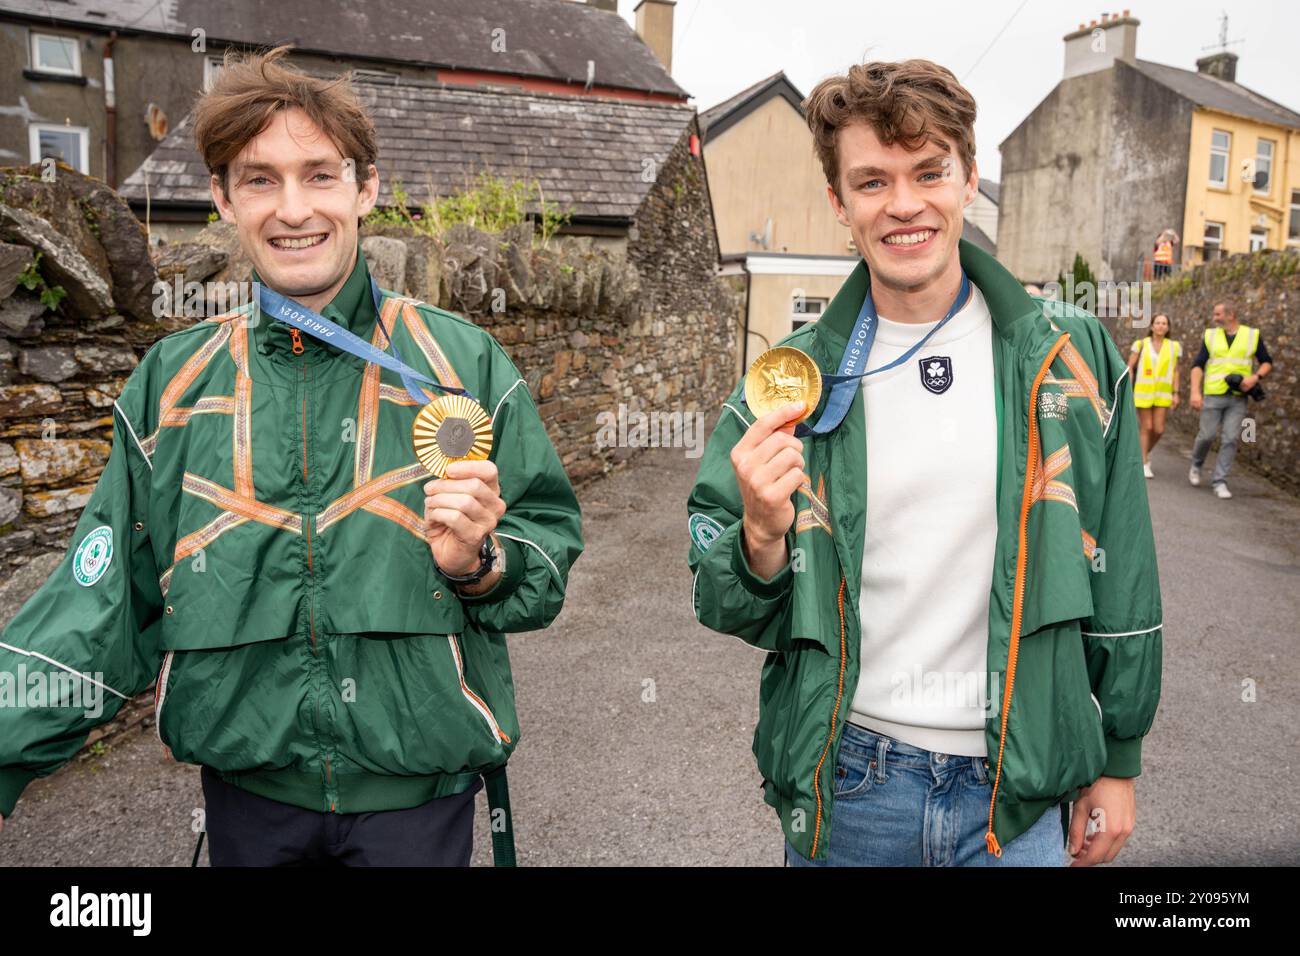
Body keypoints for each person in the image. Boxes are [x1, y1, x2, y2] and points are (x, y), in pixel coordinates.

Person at [0, 46, 584, 866]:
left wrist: (481, 565)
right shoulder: (170, 386)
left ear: (365, 187)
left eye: (319, 174)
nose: (292, 208)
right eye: (259, 179)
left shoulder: (464, 362)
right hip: (249, 809)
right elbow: (96, 608)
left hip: (417, 810)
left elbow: (548, 547)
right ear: (222, 199)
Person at [687, 59, 1162, 867]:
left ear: (969, 179)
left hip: (1017, 794)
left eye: (929, 172)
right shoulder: (786, 383)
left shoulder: (1070, 357)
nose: (904, 205)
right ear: (839, 204)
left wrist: (1119, 759)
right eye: (871, 182)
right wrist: (761, 539)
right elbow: (724, 599)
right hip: (855, 788)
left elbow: (1124, 578)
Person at [1188, 301, 1273, 499]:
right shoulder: (1210, 336)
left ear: (1231, 314)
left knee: (1231, 438)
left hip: (1238, 397)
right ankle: (1196, 464)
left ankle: (1220, 481)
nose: (1215, 317)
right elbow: (1198, 365)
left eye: (1218, 314)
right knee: (1206, 435)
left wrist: (1255, 377)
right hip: (1213, 394)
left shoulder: (1252, 335)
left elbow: (1267, 361)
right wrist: (1195, 392)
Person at [1126, 313, 1181, 478]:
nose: (1161, 326)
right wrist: (1128, 385)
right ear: (1151, 326)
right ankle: (1143, 462)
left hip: (1162, 394)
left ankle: (1141, 453)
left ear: (1168, 327)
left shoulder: (1174, 346)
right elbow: (1130, 367)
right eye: (1158, 323)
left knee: (1159, 430)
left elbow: (1176, 372)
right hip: (1143, 392)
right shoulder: (1141, 344)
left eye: (1164, 323)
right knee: (1147, 427)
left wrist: (1176, 393)